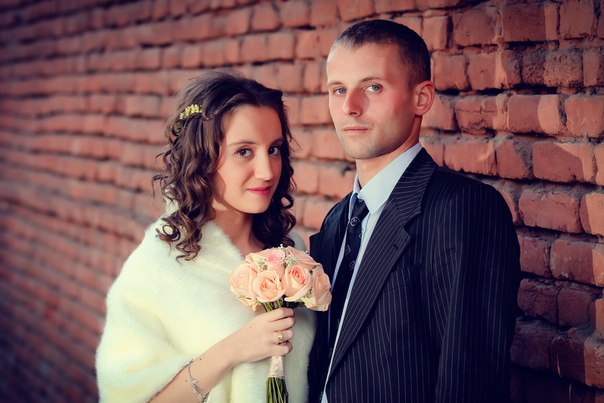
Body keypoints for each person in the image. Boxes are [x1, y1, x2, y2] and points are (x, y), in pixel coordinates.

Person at [308, 19, 520, 403]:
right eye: (338, 90)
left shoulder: (463, 210)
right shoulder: (337, 220)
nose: (349, 107)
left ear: (421, 98)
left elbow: (469, 381)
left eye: (372, 87)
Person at [96, 70, 315, 403]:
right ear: (202, 158)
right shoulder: (157, 267)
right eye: (244, 151)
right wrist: (233, 349)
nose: (267, 171)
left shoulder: (291, 251)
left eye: (274, 149)